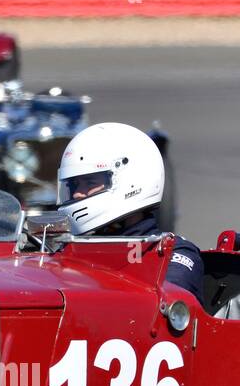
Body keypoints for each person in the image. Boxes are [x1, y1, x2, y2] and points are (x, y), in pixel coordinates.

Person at [56, 122, 204, 304]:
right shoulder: (68, 249)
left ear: (131, 182)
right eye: (75, 185)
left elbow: (160, 306)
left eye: (90, 183)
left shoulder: (173, 253)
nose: (78, 193)